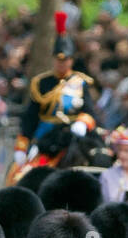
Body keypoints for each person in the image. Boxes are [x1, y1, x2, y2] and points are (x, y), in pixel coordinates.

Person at [13, 11, 96, 173]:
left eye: (65, 60)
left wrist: (82, 122)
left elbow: (89, 111)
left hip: (72, 136)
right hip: (46, 136)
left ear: (71, 60)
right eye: (58, 60)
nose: (62, 64)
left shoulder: (81, 82)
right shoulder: (42, 82)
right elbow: (31, 116)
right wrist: (21, 146)